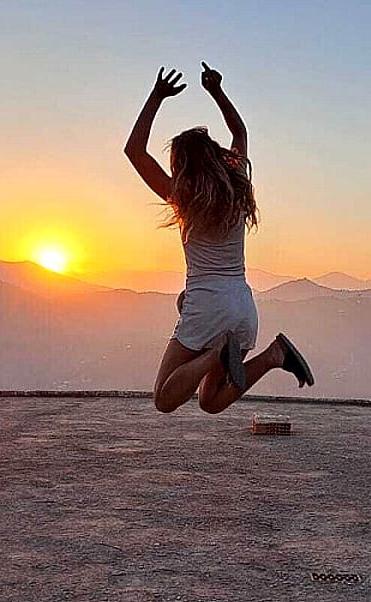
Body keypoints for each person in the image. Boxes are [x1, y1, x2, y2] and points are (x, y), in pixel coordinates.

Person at [124, 62, 314, 414]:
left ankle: (215, 352)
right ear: (215, 157)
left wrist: (156, 96)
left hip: (209, 306)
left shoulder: (182, 197)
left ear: (182, 166)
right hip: (242, 307)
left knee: (164, 399)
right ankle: (275, 354)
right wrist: (217, 92)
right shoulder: (237, 190)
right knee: (211, 401)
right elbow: (239, 132)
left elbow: (134, 151)